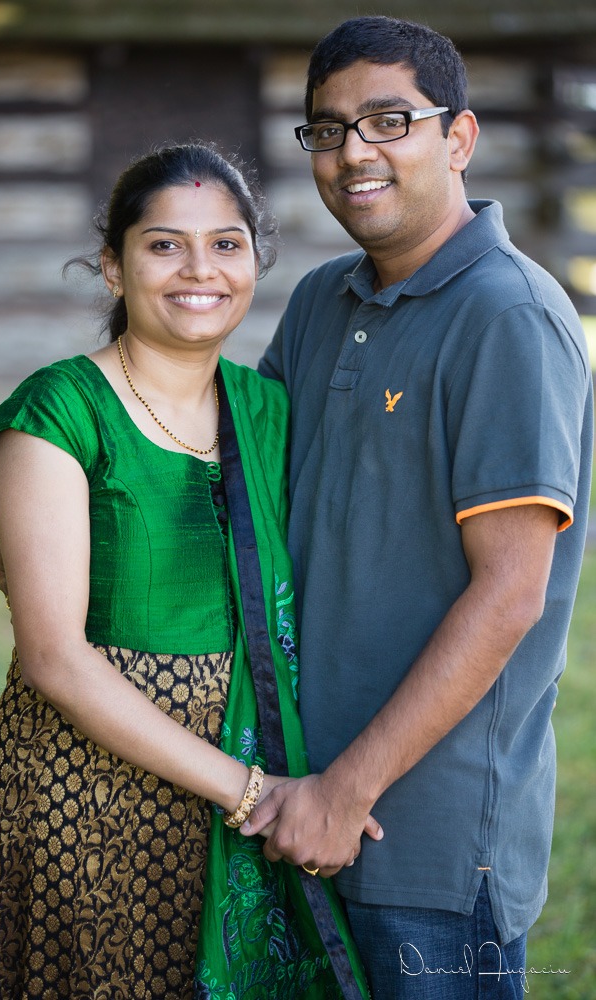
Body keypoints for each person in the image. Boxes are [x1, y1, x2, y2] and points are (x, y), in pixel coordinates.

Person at [0, 143, 371, 1000]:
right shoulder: (60, 411)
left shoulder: (269, 412)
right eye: (163, 245)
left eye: (225, 244)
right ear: (113, 266)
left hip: (253, 744)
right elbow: (54, 658)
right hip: (90, 789)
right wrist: (256, 794)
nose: (199, 270)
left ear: (254, 259)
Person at [244, 15, 594, 999]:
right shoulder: (320, 301)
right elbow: (239, 478)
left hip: (431, 845)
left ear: (458, 137)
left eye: (388, 121)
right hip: (297, 800)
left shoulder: (508, 315)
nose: (354, 152)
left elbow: (509, 595)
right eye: (327, 129)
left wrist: (344, 790)